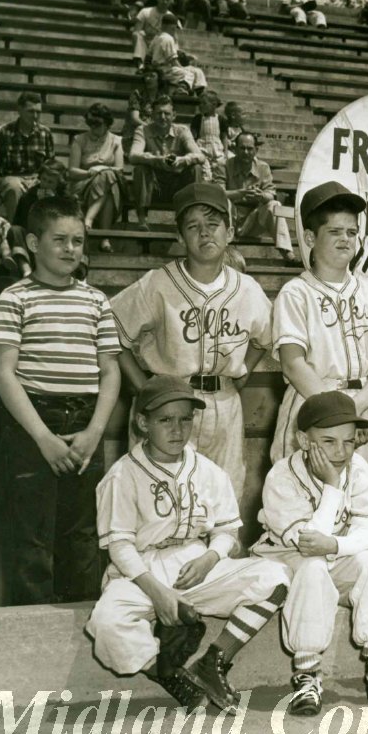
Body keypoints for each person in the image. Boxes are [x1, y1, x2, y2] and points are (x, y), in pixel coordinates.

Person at [86, 375, 290, 709]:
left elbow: (227, 529)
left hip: (196, 563)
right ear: (142, 423)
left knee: (275, 577)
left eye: (185, 419)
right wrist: (159, 594)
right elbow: (119, 546)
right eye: (165, 420)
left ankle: (215, 661)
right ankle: (168, 673)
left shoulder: (208, 470)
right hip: (140, 571)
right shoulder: (123, 475)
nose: (177, 429)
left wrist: (211, 557)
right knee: (106, 623)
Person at [0, 194, 121, 605]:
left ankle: (77, 642)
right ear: (31, 242)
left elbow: (110, 370)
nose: (70, 250)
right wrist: (42, 437)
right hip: (32, 426)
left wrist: (95, 431)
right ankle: (29, 646)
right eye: (59, 240)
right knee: (31, 542)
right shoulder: (15, 297)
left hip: (84, 425)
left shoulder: (96, 300)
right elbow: (3, 373)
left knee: (82, 539)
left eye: (77, 241)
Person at [252, 392, 368, 715]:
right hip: (286, 559)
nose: (340, 452)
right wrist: (331, 486)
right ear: (303, 439)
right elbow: (308, 542)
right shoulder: (281, 477)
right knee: (313, 567)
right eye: (328, 441)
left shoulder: (360, 470)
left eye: (348, 441)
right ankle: (307, 675)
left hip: (334, 554)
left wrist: (338, 546)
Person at [111, 182, 273, 502]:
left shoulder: (248, 289)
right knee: (155, 501)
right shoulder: (157, 283)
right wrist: (142, 386)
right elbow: (110, 333)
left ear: (230, 232)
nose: (204, 234)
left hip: (225, 402)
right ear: (179, 237)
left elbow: (264, 340)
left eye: (213, 224)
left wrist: (243, 375)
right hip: (168, 400)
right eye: (193, 226)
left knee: (223, 500)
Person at [269, 181, 368, 485]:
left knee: (363, 503)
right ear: (310, 237)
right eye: (335, 231)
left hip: (363, 404)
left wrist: (356, 410)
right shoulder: (295, 292)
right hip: (313, 403)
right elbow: (293, 363)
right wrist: (341, 416)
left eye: (352, 232)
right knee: (307, 501)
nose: (345, 240)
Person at [127, 95, 206, 230]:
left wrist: (181, 160)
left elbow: (200, 156)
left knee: (196, 168)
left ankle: (191, 217)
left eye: (167, 113)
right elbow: (133, 156)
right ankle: (142, 220)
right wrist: (155, 159)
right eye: (159, 113)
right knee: (140, 168)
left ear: (174, 115)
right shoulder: (143, 130)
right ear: (152, 114)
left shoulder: (182, 130)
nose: (162, 117)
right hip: (154, 186)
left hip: (177, 185)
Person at [0, 90, 56, 222]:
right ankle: (14, 231)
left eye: (38, 112)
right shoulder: (3, 131)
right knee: (14, 187)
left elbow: (51, 164)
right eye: (31, 111)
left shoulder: (45, 133)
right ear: (19, 110)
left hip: (37, 179)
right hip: (11, 178)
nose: (35, 116)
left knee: (47, 191)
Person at [220, 132, 294, 262]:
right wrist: (240, 193)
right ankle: (223, 254)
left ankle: (287, 253)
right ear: (235, 149)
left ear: (256, 150)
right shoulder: (224, 166)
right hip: (230, 217)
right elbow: (217, 193)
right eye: (242, 148)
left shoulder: (263, 167)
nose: (246, 152)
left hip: (253, 220)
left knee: (275, 205)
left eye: (250, 148)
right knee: (225, 201)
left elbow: (271, 194)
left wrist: (261, 196)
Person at [66, 102, 123, 252]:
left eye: (97, 123)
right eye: (90, 123)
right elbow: (72, 171)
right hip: (82, 182)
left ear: (107, 123)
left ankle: (89, 221)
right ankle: (104, 237)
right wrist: (90, 172)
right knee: (107, 183)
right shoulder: (79, 140)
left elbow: (119, 169)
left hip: (109, 182)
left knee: (107, 177)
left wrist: (102, 169)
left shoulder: (116, 141)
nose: (93, 127)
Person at [3, 161, 73, 278]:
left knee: (80, 233)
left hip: (58, 241)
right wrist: (36, 205)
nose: (45, 184)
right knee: (14, 230)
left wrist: (53, 204)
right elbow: (20, 222)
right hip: (33, 240)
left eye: (50, 182)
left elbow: (71, 223)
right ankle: (26, 271)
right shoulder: (29, 196)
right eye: (44, 179)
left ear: (59, 184)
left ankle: (80, 275)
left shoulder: (67, 198)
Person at [148, 13, 208, 95]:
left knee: (197, 71)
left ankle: (200, 92)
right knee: (188, 73)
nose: (175, 31)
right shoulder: (167, 38)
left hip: (164, 68)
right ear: (170, 27)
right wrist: (183, 68)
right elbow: (173, 60)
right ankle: (182, 89)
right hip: (164, 69)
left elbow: (150, 54)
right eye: (174, 28)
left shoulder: (157, 37)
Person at [131, 0, 177, 66]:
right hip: (145, 42)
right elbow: (136, 30)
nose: (164, 2)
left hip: (159, 45)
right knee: (137, 34)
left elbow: (173, 36)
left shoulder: (171, 16)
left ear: (171, 1)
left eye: (167, 0)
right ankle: (140, 63)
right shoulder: (145, 11)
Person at [189, 89, 228, 181]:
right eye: (200, 103)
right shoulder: (198, 119)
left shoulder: (221, 119)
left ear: (214, 105)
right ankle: (206, 181)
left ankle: (218, 182)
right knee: (204, 166)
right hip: (202, 147)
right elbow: (193, 137)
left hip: (217, 148)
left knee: (220, 165)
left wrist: (225, 151)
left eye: (204, 103)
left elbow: (224, 136)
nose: (200, 106)